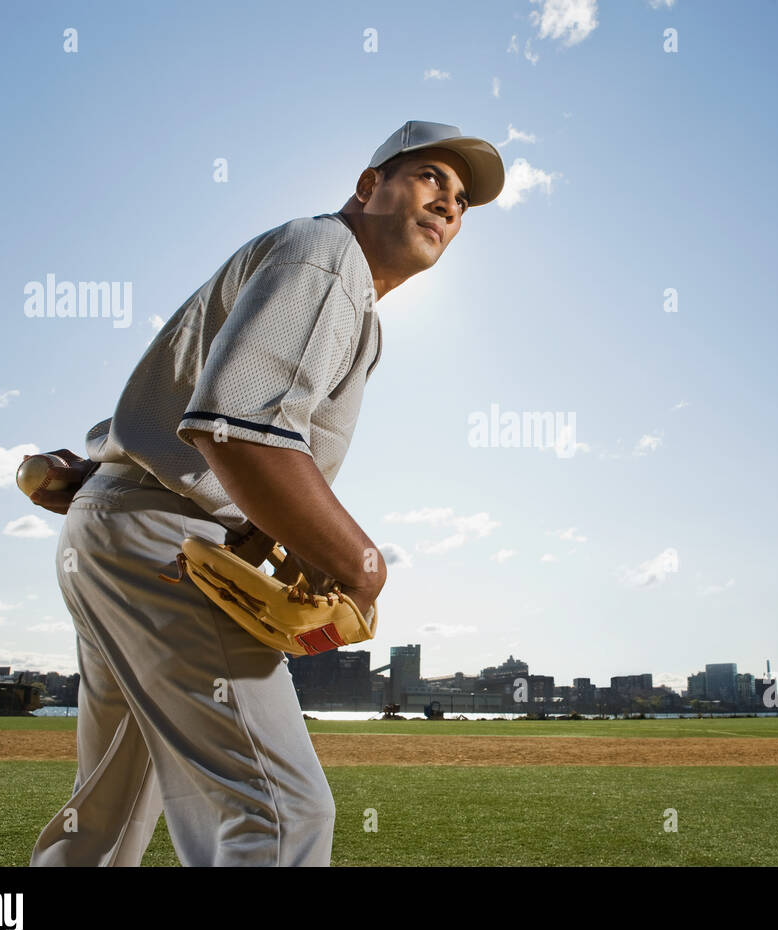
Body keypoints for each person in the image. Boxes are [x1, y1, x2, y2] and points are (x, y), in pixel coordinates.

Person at [27, 121, 505, 867]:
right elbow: (239, 432)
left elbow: (198, 418)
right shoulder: (327, 259)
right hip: (170, 547)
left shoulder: (330, 282)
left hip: (121, 534)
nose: (450, 202)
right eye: (431, 177)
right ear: (368, 184)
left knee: (107, 816)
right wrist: (360, 564)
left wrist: (102, 475)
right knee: (280, 815)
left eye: (463, 198)